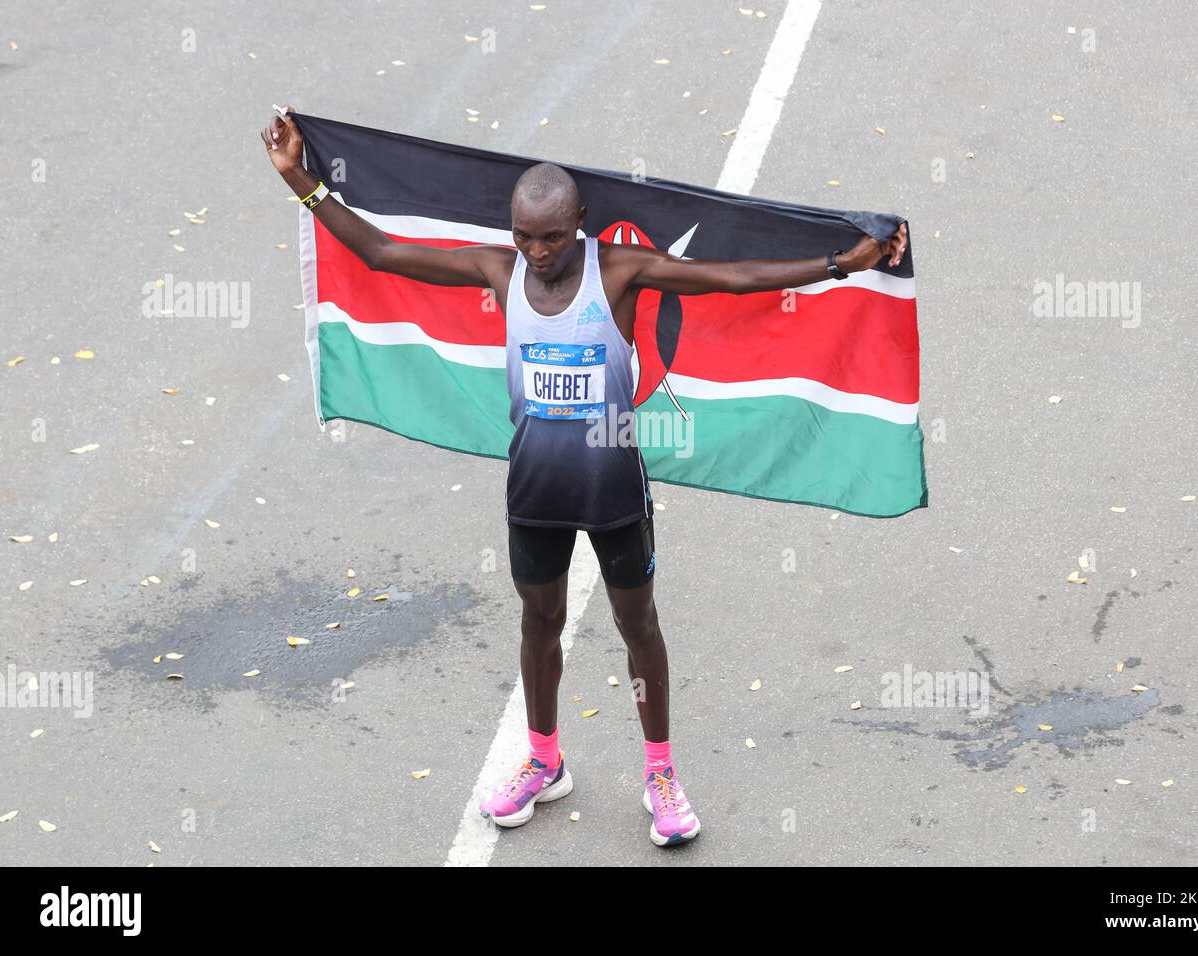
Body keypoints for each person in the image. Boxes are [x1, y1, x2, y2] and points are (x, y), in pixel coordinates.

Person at [262, 106, 906, 847]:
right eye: (525, 236)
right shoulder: (498, 270)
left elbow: (729, 277)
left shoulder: (621, 273)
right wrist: (299, 179)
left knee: (640, 627)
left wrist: (837, 265)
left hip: (612, 493)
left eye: (554, 236)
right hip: (534, 494)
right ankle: (543, 761)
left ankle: (661, 774)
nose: (537, 252)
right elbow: (381, 252)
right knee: (539, 622)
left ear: (583, 224)